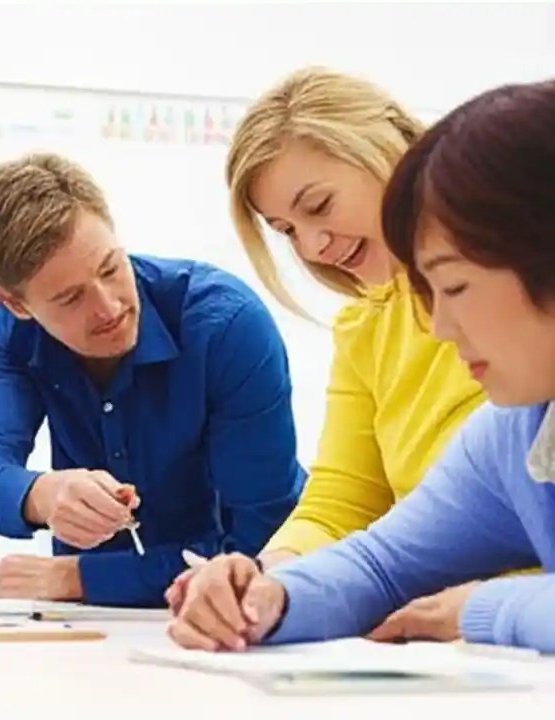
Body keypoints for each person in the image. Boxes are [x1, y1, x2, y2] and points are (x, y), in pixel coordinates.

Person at [167, 79, 555, 654]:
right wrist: (270, 594)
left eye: (453, 286)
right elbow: (378, 561)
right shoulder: (510, 432)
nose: (441, 326)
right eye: (286, 231)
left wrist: (477, 608)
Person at [0, 152, 306, 607]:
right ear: (15, 304)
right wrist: (43, 495)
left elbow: (259, 546)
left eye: (112, 268)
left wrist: (83, 579)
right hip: (95, 634)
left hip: (235, 615)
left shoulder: (225, 324)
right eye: (70, 298)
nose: (109, 307)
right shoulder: (9, 336)